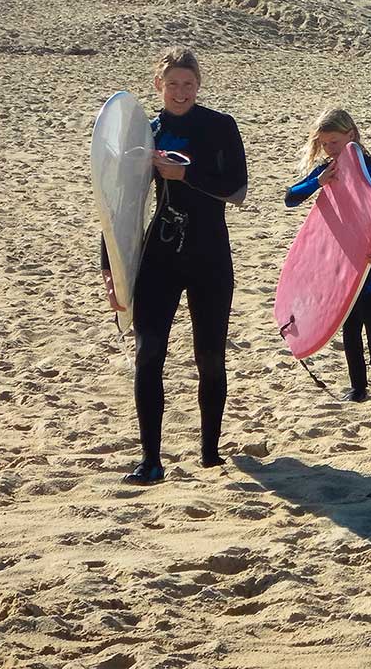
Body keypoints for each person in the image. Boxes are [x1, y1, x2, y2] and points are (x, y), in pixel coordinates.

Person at [102, 47, 248, 484]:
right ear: (158, 85)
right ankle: (151, 459)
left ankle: (210, 451)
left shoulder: (219, 126)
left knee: (210, 357)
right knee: (148, 355)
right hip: (159, 256)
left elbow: (237, 189)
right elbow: (119, 205)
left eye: (188, 84)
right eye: (172, 84)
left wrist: (187, 177)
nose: (180, 92)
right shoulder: (144, 133)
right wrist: (111, 270)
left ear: (198, 85)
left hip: (209, 255)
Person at [284, 109, 371, 403]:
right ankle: (358, 386)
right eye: (325, 144)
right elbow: (290, 198)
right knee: (348, 319)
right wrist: (317, 182)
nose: (331, 149)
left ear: (352, 136)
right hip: (340, 253)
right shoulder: (324, 170)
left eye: (335, 142)